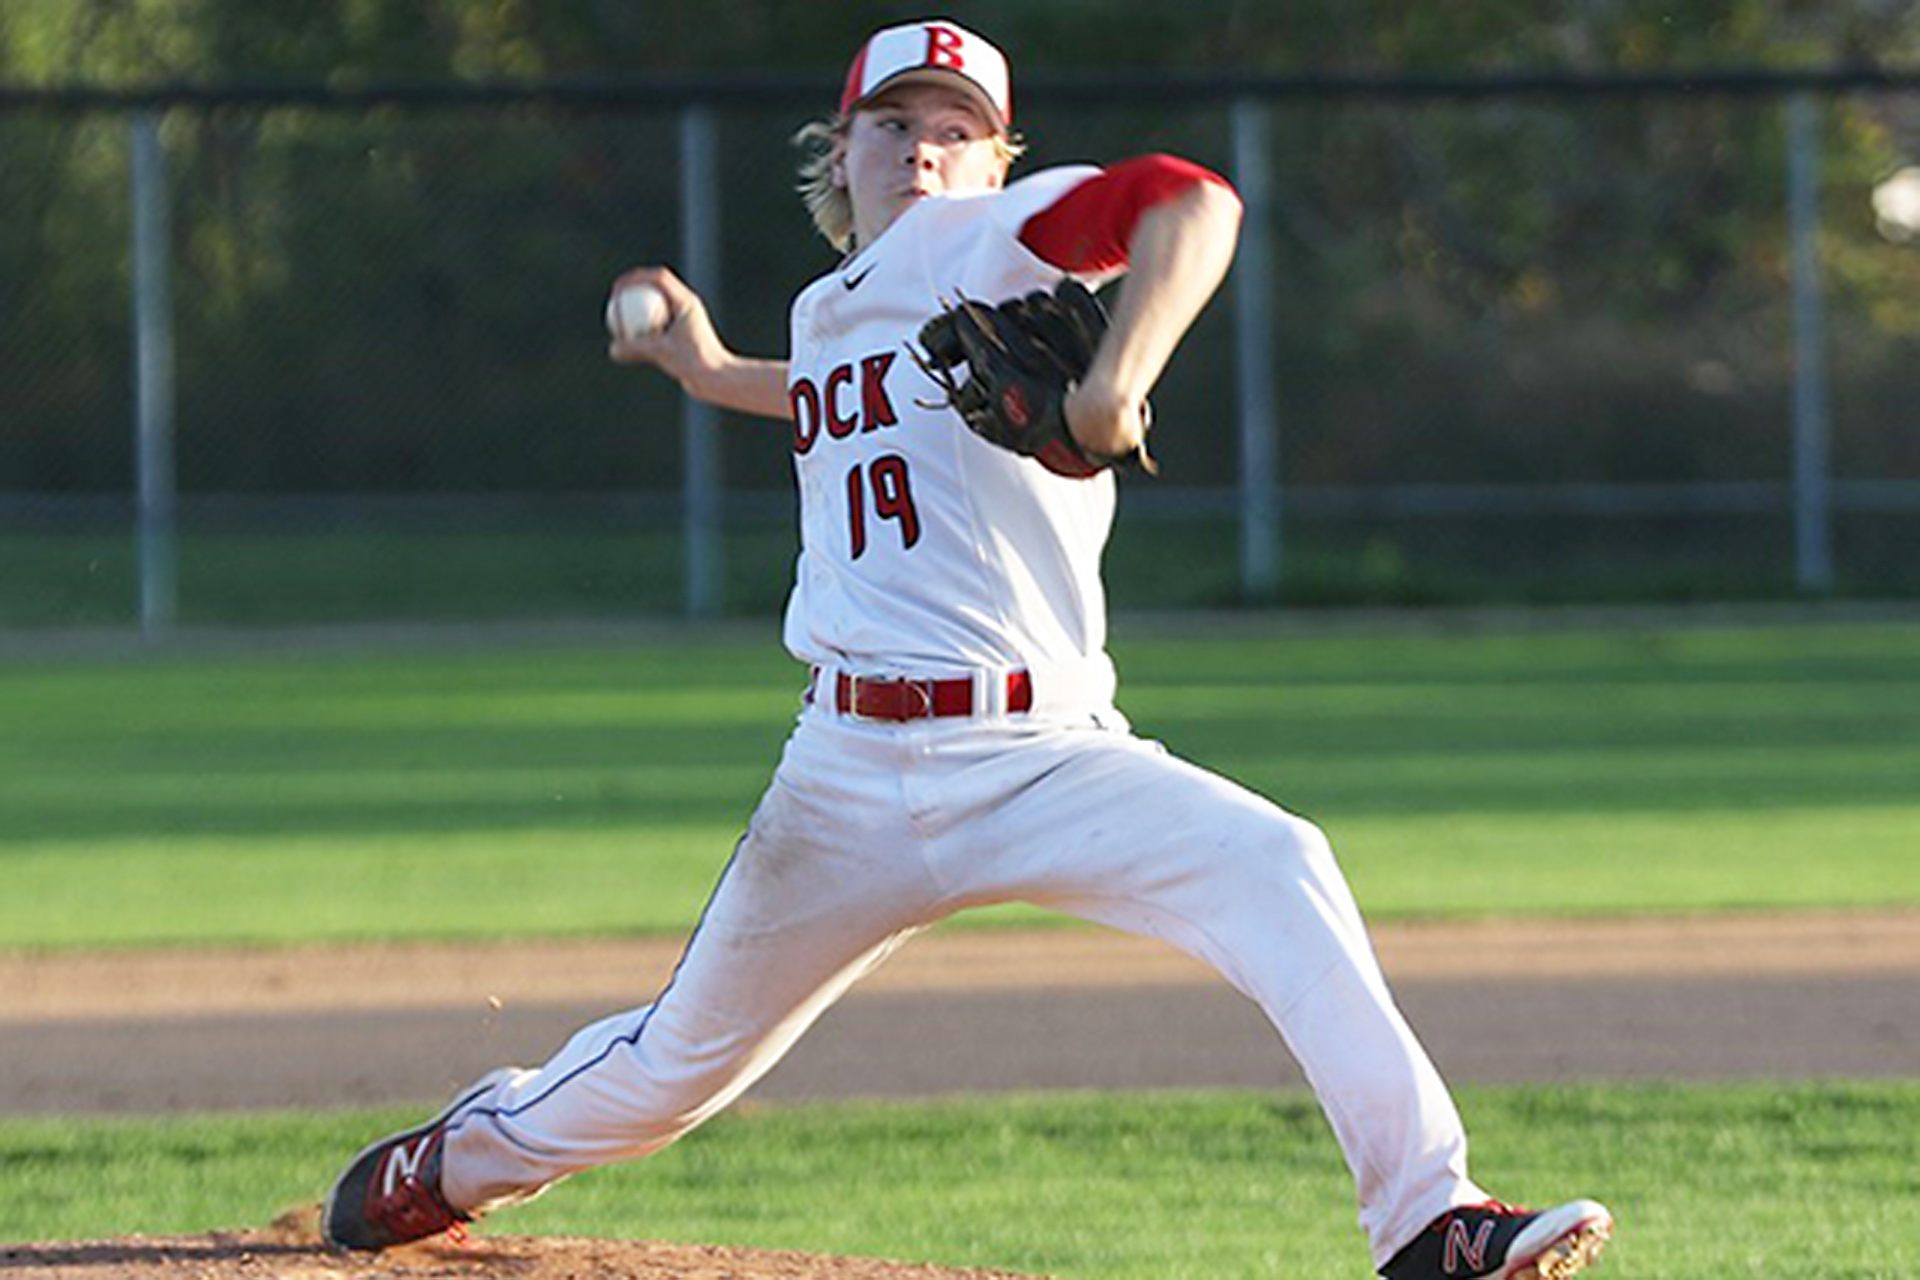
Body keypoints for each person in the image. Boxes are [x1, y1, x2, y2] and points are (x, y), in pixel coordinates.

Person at [321, 19, 1614, 1280]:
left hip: (1042, 754)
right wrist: (708, 367)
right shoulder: (830, 309)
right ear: (841, 155)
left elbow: (1196, 205)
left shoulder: (994, 241)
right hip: (846, 776)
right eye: (895, 127)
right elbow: (838, 385)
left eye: (961, 130)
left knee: (1278, 864)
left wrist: (1119, 374)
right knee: (671, 1072)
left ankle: (1427, 1221)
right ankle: (458, 1161)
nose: (927, 151)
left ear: (1002, 162)